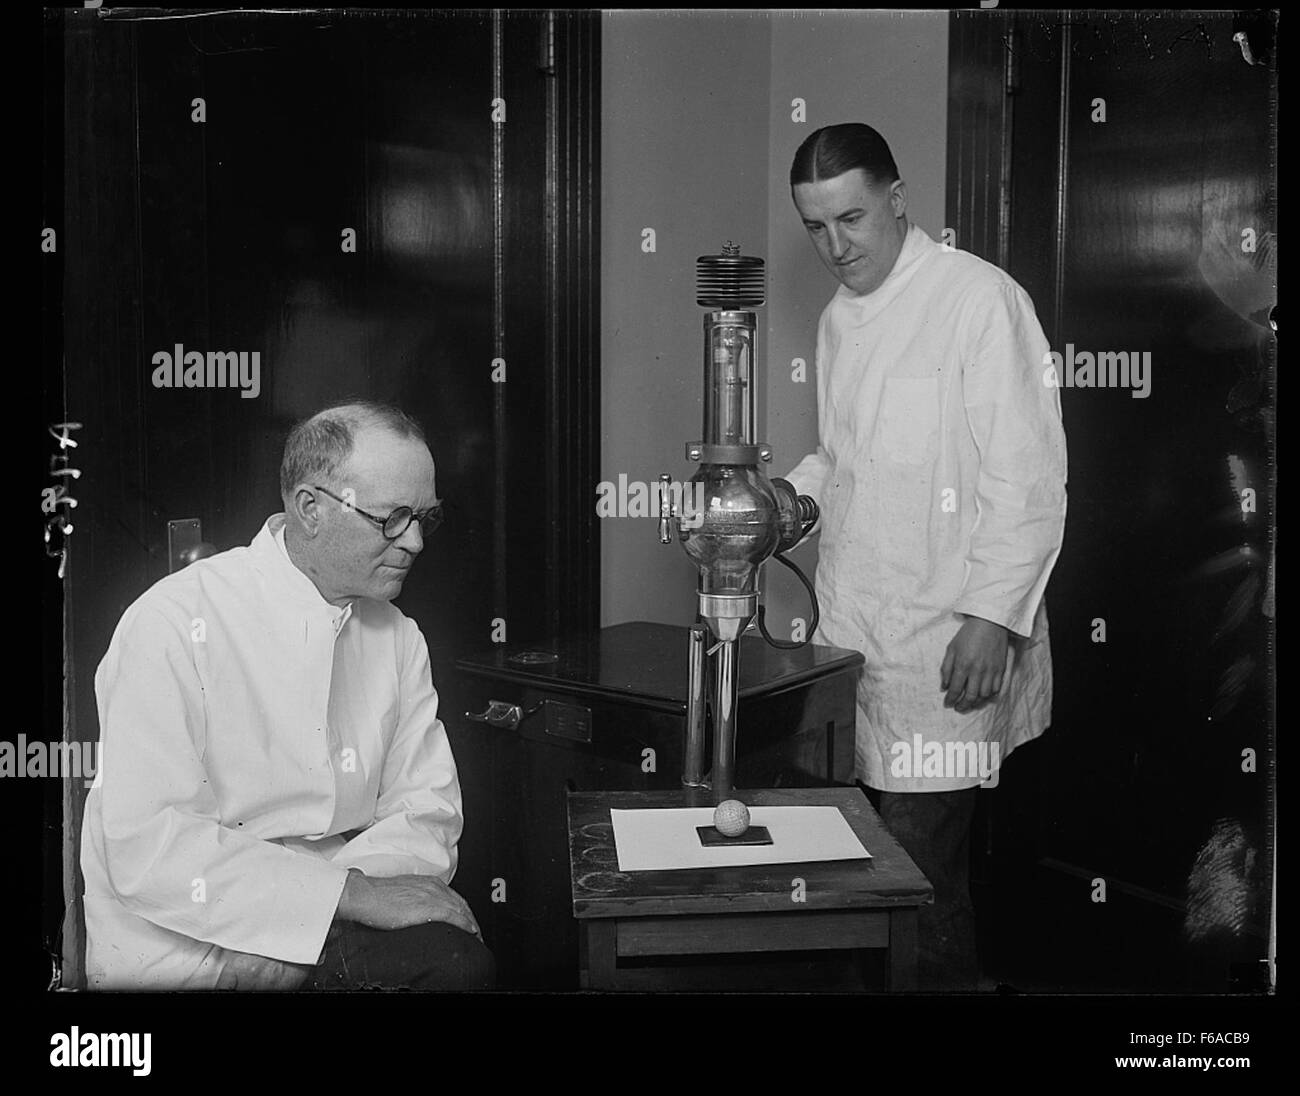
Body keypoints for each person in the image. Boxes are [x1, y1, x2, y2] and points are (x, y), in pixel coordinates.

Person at [783, 123, 1068, 989]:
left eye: (853, 219)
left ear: (899, 200)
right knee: (856, 869)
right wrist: (786, 501)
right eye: (816, 228)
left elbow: (1028, 479)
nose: (836, 246)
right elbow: (842, 458)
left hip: (948, 649)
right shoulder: (838, 320)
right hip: (853, 636)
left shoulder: (981, 301)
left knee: (919, 881)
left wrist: (989, 620)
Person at [80, 401, 495, 991]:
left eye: (427, 517)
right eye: (394, 518)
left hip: (341, 919)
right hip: (186, 944)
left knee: (458, 964)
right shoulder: (172, 623)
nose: (416, 542)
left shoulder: (397, 638)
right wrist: (327, 901)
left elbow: (426, 811)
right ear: (310, 509)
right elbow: (151, 849)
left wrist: (316, 919)